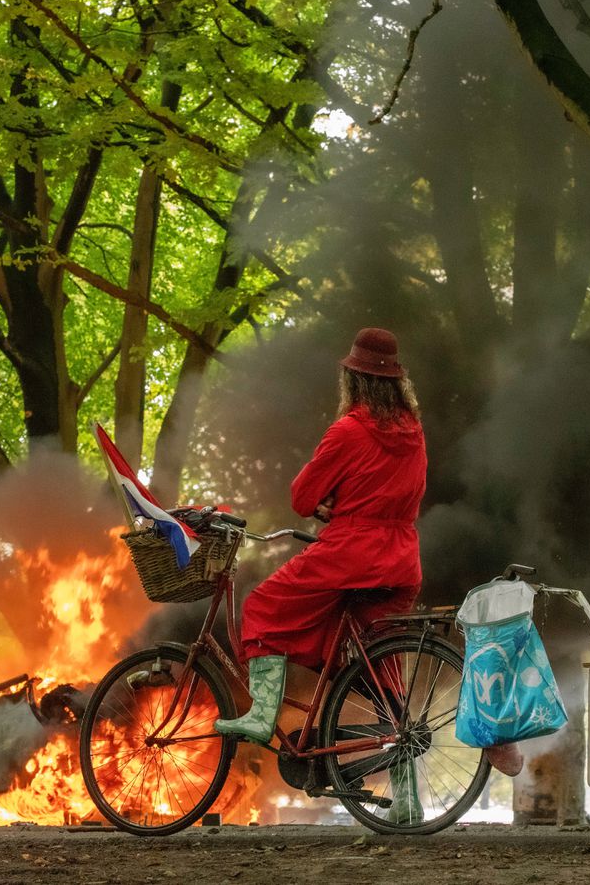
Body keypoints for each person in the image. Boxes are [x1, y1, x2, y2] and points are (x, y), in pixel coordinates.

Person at [215, 327, 425, 821]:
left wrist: (333, 507)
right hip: (401, 560)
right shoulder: (415, 433)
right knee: (381, 666)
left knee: (263, 605)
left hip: (352, 553)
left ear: (353, 379)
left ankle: (261, 714)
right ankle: (407, 798)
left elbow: (302, 497)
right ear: (397, 383)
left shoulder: (348, 431)